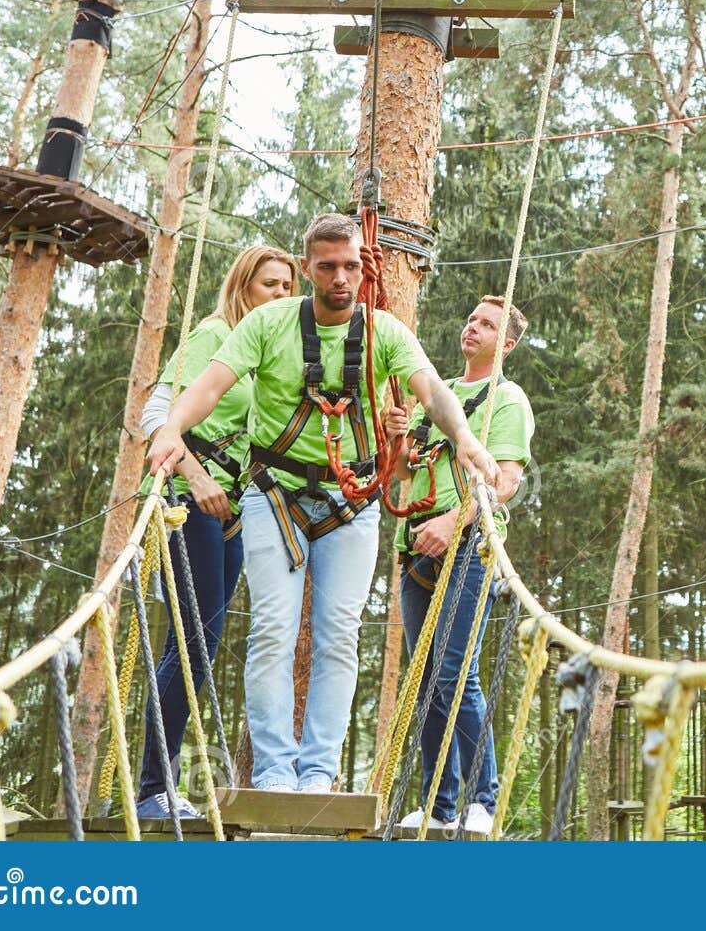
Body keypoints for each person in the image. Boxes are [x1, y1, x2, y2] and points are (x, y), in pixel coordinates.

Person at [148, 213, 498, 795]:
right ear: (308, 267)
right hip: (274, 493)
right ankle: (274, 771)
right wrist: (171, 429)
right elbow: (209, 385)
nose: (341, 278)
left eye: (351, 266)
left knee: (339, 632)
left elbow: (432, 391)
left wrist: (463, 439)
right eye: (328, 266)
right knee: (273, 629)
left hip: (350, 502)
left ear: (364, 266)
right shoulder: (268, 323)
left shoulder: (383, 331)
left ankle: (316, 773)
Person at [135, 244, 299, 820]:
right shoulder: (214, 333)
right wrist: (197, 476)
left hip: (234, 506)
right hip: (190, 498)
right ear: (242, 289)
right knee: (192, 642)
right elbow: (155, 415)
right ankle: (153, 786)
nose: (281, 296)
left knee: (199, 643)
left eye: (287, 287)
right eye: (270, 285)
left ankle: (157, 781)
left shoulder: (268, 352)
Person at [393, 295, 534, 838]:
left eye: (488, 324)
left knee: (455, 674)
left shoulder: (508, 398)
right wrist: (400, 437)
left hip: (467, 542)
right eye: (472, 319)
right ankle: (439, 803)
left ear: (508, 344)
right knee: (426, 677)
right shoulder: (441, 396)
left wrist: (453, 523)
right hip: (417, 545)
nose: (472, 327)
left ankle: (482, 798)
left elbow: (504, 481)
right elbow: (405, 472)